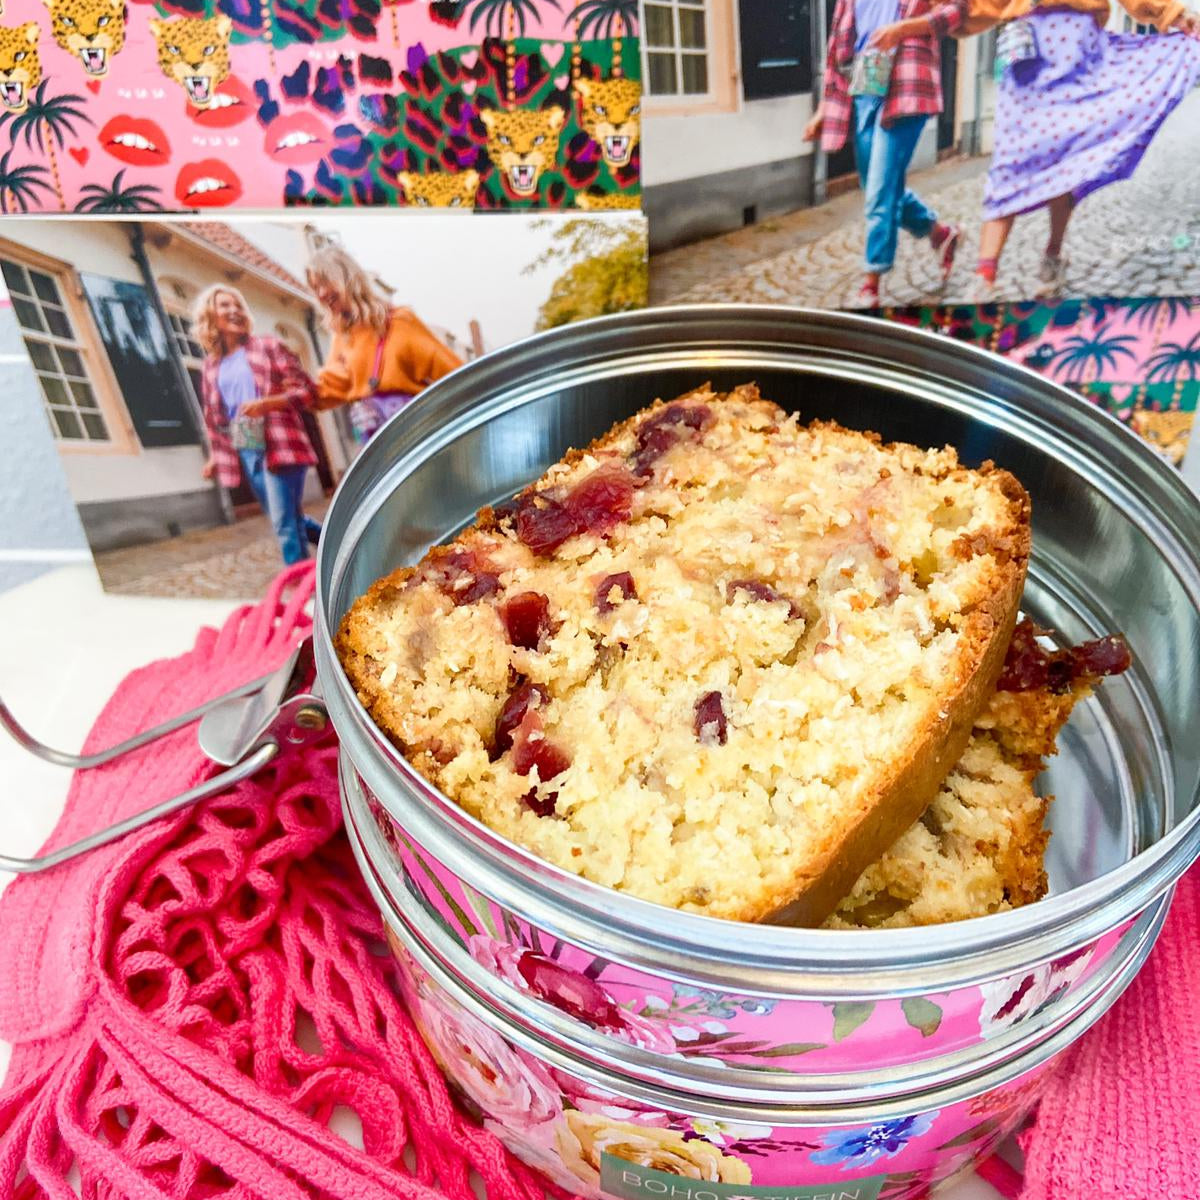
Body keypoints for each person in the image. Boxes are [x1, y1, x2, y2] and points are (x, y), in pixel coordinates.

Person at [871, 0, 1200, 299]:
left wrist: (1175, 14)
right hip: (1027, 57)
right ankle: (985, 276)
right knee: (1010, 161)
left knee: (1065, 159)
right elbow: (979, 5)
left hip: (1079, 57)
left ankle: (1052, 255)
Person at [804, 0, 966, 305]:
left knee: (880, 192)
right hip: (866, 86)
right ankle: (940, 234)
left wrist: (903, 29)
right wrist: (824, 108)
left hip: (907, 86)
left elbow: (957, 11)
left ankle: (871, 285)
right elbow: (837, 50)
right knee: (879, 188)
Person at [195, 284, 323, 566]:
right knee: (289, 519)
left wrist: (268, 404)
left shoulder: (268, 346)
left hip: (280, 439)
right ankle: (337, 542)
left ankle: (301, 584)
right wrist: (216, 455)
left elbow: (307, 391)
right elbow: (215, 416)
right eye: (225, 305)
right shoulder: (210, 366)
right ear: (210, 316)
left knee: (284, 524)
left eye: (238, 305)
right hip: (246, 442)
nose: (234, 310)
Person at [305, 245, 465, 444]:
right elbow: (331, 388)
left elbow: (452, 372)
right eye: (315, 288)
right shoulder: (342, 335)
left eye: (324, 282)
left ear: (346, 277)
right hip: (374, 439)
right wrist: (293, 393)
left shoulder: (399, 321)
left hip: (416, 430)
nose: (321, 293)